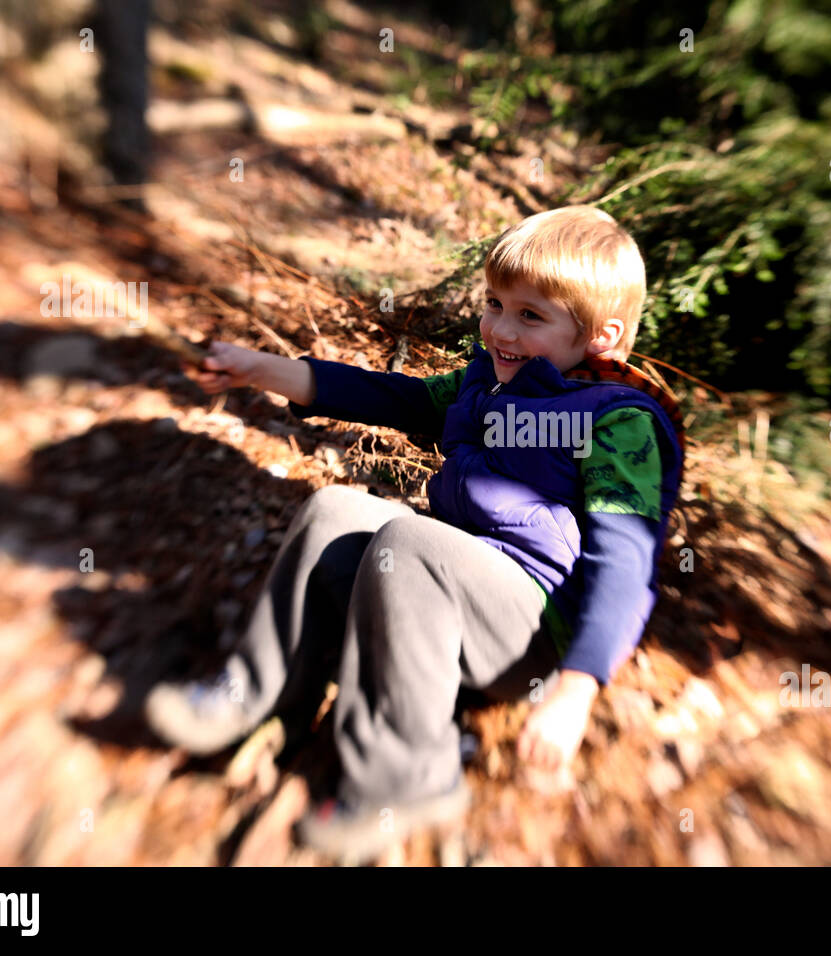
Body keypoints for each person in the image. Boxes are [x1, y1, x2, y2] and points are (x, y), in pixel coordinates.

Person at [145, 205, 686, 863]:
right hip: (449, 590)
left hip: (536, 634)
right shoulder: (487, 384)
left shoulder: (616, 424)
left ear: (602, 337)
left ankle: (407, 780)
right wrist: (259, 369)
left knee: (413, 545)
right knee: (337, 512)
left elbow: (626, 561)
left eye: (531, 315)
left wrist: (576, 689)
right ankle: (258, 694)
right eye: (494, 303)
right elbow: (392, 398)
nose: (499, 329)